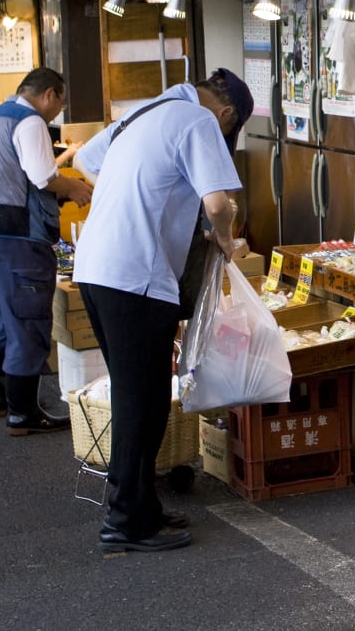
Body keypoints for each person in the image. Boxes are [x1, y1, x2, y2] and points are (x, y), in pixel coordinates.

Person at [69, 68, 253, 555]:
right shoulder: (199, 121)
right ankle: (125, 520)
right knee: (141, 402)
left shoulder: (144, 113)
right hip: (136, 277)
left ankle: (141, 506)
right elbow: (218, 202)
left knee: (145, 398)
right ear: (228, 114)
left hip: (95, 267)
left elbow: (86, 160)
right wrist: (224, 237)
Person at [0, 68, 93, 433]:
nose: (57, 113)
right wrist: (73, 187)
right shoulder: (30, 120)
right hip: (18, 235)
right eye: (60, 104)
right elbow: (43, 177)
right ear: (49, 94)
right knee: (27, 319)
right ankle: (22, 412)